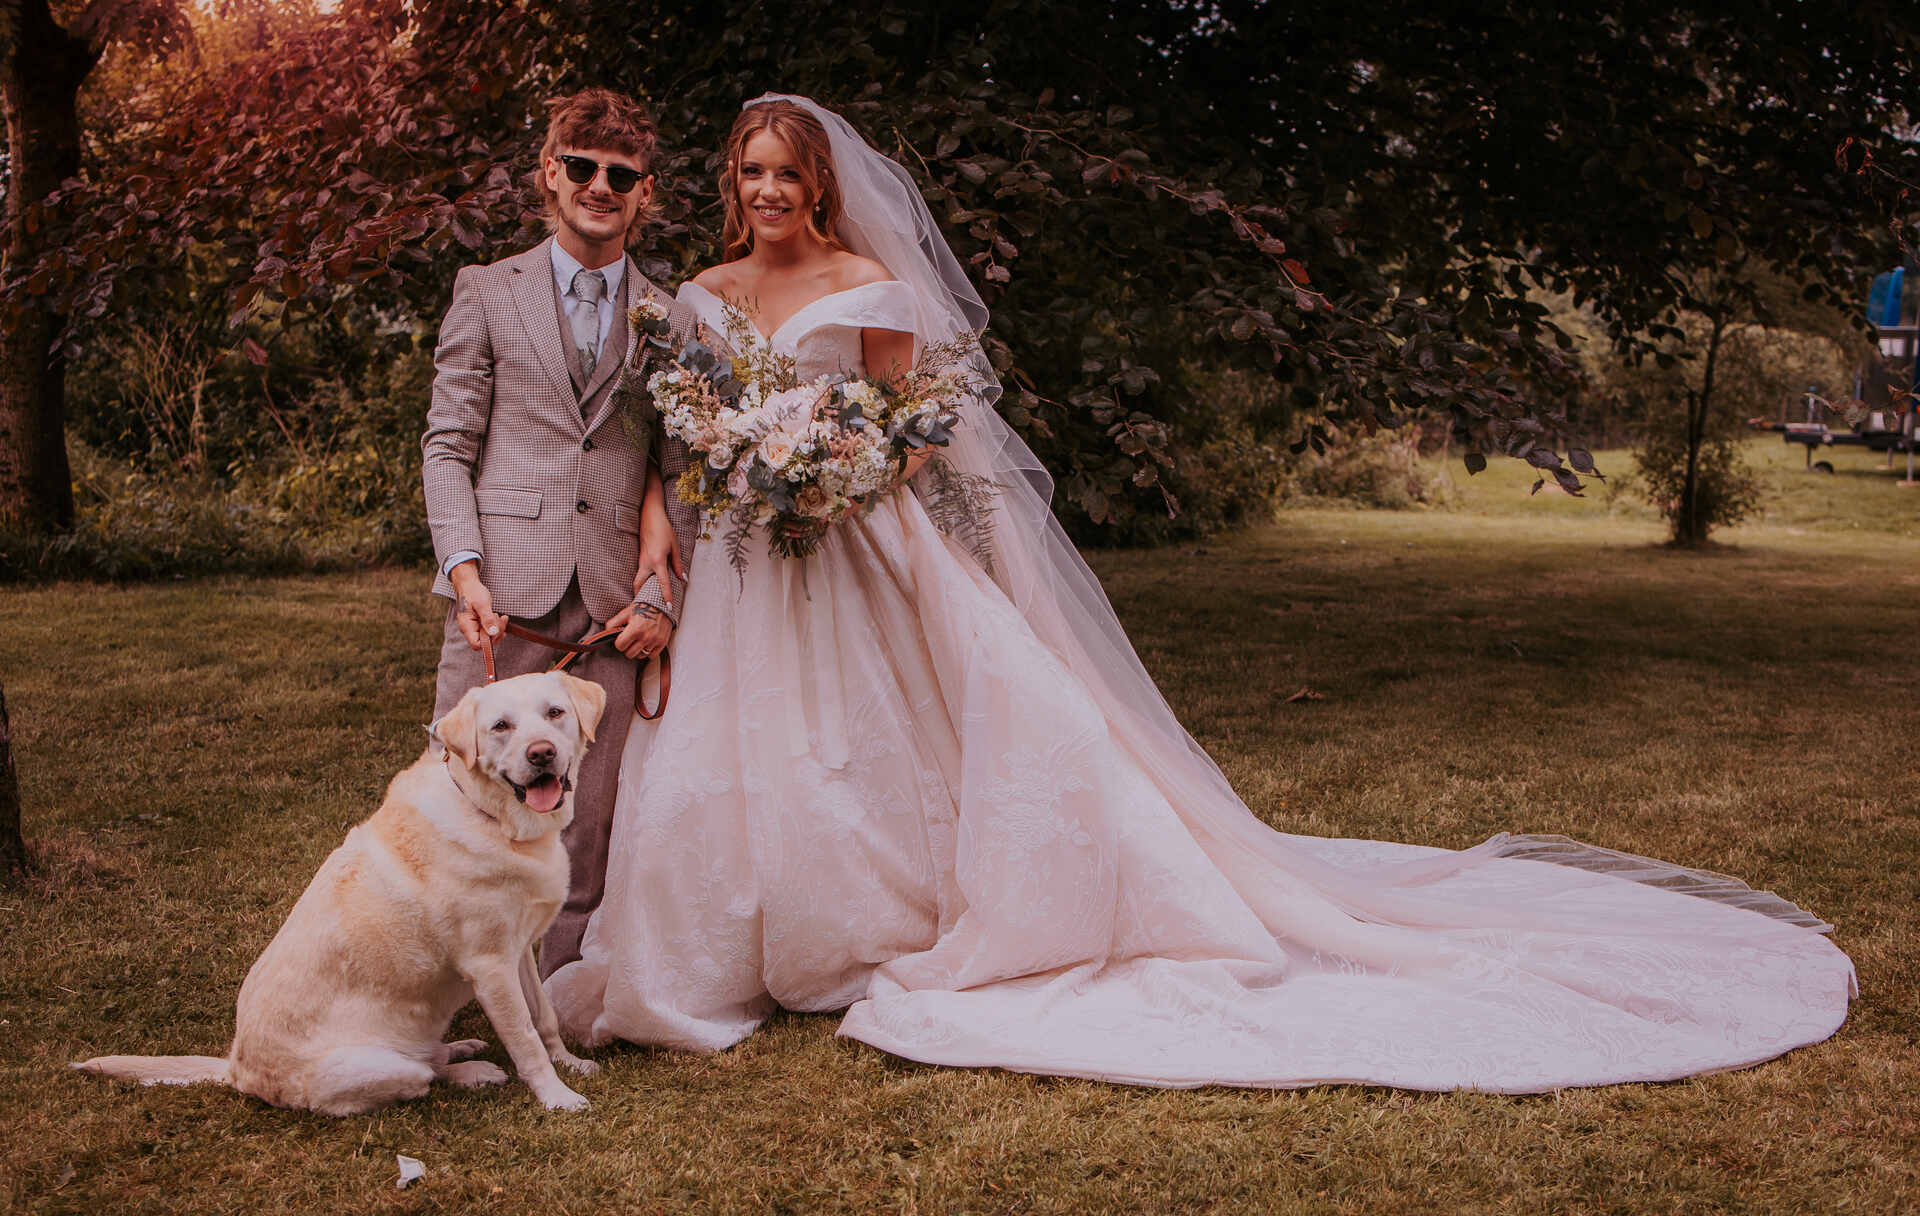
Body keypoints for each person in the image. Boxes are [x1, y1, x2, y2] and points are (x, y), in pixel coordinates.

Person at [547, 95, 1856, 1091]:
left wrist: (839, 462)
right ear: (731, 187)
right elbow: (686, 439)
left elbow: (921, 420)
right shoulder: (704, 294)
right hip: (743, 560)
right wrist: (725, 492)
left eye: (787, 173)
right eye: (751, 175)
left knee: (939, 724)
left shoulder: (862, 282)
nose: (768, 191)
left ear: (818, 183)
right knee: (746, 740)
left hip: (865, 538)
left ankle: (893, 919)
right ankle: (730, 950)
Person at [422, 89, 699, 976]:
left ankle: (560, 992)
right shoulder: (486, 291)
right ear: (551, 173)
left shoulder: (670, 315)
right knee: (460, 789)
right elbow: (448, 445)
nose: (600, 186)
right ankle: (442, 985)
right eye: (582, 168)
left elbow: (684, 466)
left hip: (616, 602)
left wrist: (664, 595)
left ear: (643, 192)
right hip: (500, 596)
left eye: (622, 175)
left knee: (588, 806)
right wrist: (464, 571)